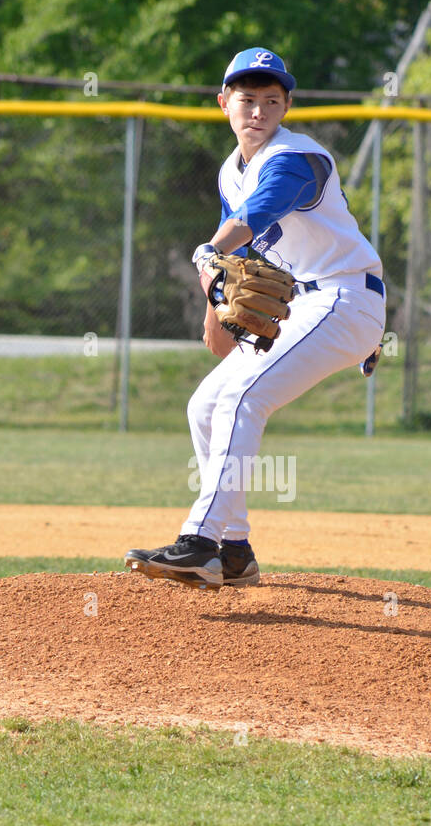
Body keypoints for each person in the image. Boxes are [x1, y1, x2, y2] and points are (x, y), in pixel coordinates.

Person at [124, 46, 385, 589]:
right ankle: (234, 550)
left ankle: (198, 541)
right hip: (305, 304)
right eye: (247, 99)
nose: (259, 111)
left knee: (245, 397)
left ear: (286, 106)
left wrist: (207, 251)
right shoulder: (230, 170)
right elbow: (234, 256)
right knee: (204, 405)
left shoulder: (296, 159)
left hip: (344, 298)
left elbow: (251, 220)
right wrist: (216, 308)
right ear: (224, 103)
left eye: (272, 100)